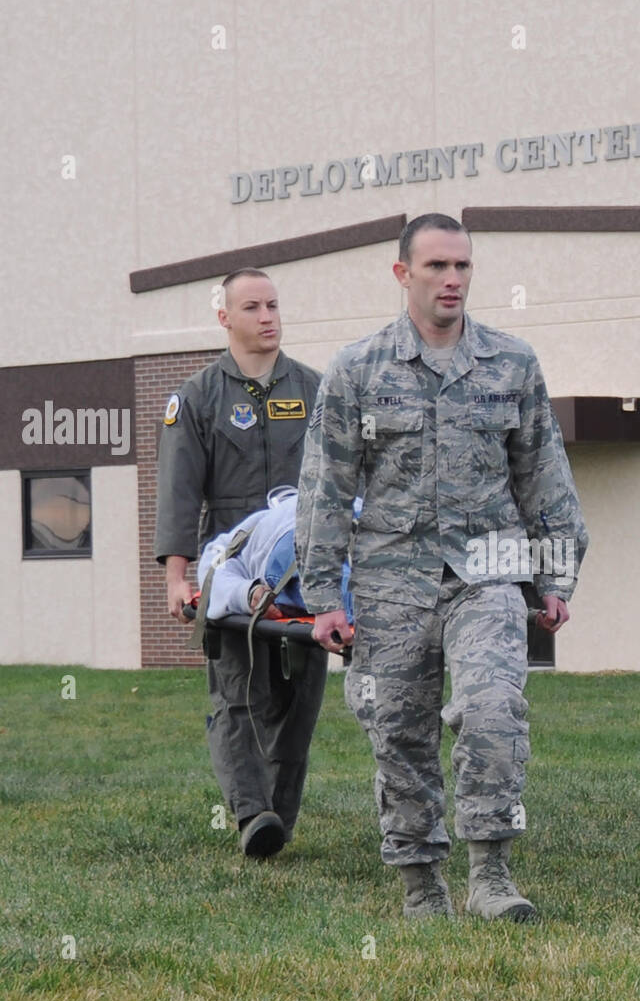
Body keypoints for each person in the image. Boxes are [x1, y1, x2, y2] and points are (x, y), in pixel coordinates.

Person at [295, 213, 588, 920]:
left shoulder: (510, 364)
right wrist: (320, 596)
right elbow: (325, 488)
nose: (451, 280)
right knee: (398, 731)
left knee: (491, 708)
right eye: (435, 267)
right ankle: (422, 884)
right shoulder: (357, 370)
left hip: (488, 570)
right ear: (403, 275)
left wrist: (553, 577)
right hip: (390, 580)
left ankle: (490, 876)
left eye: (461, 266)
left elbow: (543, 474)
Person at [154, 269, 325, 858]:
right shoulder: (198, 398)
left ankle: (279, 814)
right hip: (226, 562)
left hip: (305, 563)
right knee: (237, 692)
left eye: (274, 304)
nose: (268, 316)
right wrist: (178, 578)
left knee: (300, 698)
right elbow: (179, 492)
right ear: (224, 318)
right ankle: (253, 815)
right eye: (252, 306)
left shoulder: (315, 389)